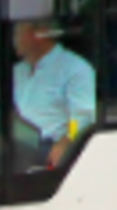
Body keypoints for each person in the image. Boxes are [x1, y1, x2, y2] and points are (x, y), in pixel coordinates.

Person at [10, 20, 96, 170]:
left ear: (40, 33)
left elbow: (81, 117)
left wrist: (67, 141)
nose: (14, 40)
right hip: (13, 141)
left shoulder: (75, 69)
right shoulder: (17, 71)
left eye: (18, 34)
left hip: (47, 146)